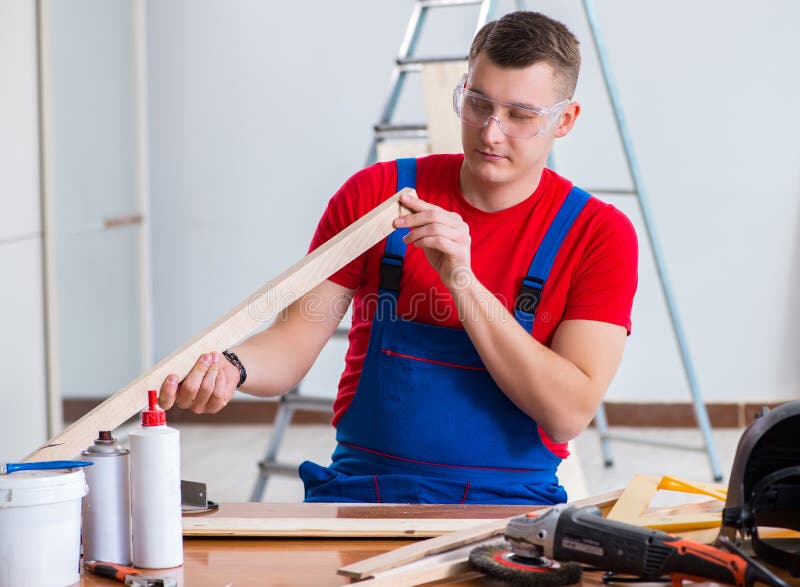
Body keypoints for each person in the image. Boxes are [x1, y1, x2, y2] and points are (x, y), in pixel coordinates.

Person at [159, 11, 638, 504]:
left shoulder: (598, 235)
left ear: (565, 121)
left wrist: (463, 283)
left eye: (520, 115)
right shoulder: (378, 196)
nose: (491, 133)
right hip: (360, 493)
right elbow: (291, 343)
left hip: (511, 506)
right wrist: (232, 366)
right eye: (478, 104)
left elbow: (568, 412)